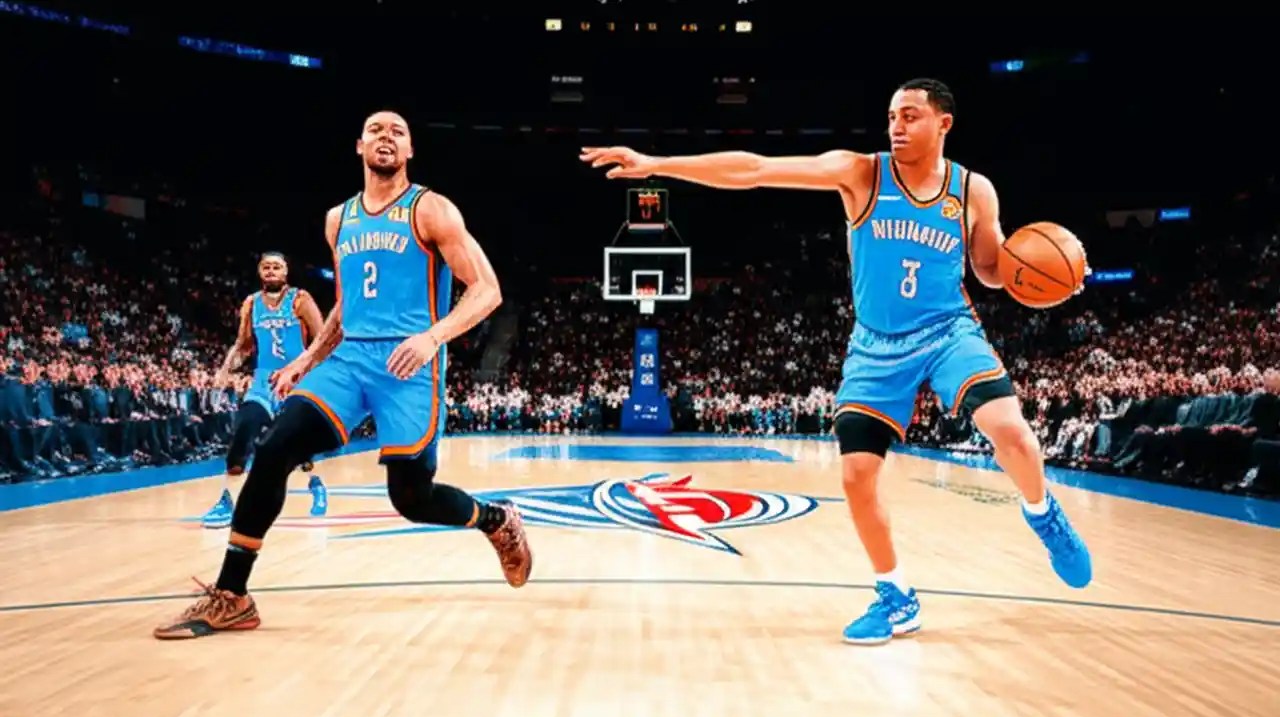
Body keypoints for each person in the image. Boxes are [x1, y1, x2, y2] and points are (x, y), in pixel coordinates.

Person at [580, 78, 1091, 645]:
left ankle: (1042, 512)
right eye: (892, 116)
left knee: (1010, 433)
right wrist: (658, 164)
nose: (897, 127)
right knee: (856, 476)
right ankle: (896, 596)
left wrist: (1044, 276)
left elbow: (990, 269)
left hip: (948, 331)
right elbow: (756, 169)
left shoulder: (974, 190)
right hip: (877, 344)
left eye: (911, 116)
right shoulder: (861, 173)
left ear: (944, 123)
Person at [154, 110, 532, 639]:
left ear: (410, 150)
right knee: (275, 447)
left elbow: (487, 289)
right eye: (376, 130)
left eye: (398, 131)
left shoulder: (431, 209)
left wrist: (432, 337)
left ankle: (496, 520)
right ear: (359, 146)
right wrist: (307, 359)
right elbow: (345, 304)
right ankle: (232, 595)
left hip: (408, 365)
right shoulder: (339, 219)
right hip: (350, 360)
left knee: (411, 499)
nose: (386, 137)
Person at [202, 253, 328, 528]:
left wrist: (306, 371)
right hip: (263, 382)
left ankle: (316, 483)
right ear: (260, 272)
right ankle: (227, 499)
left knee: (293, 442)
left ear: (286, 271)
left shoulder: (300, 299)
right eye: (266, 267)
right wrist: (225, 369)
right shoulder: (251, 303)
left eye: (277, 266)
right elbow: (243, 344)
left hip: (295, 380)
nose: (271, 271)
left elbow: (322, 341)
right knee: (244, 428)